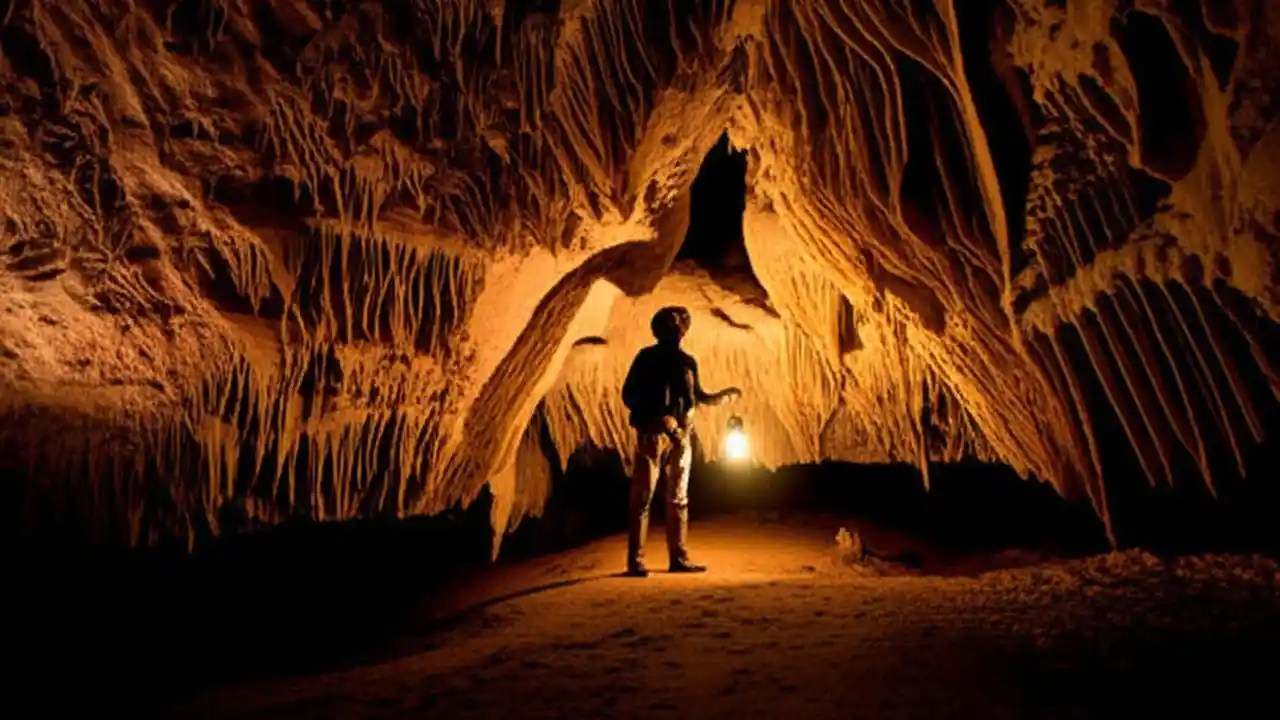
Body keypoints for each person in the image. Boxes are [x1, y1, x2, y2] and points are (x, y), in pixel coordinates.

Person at [620, 306, 741, 577]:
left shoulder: (687, 362)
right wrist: (660, 417)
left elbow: (696, 395)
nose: (676, 332)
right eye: (671, 327)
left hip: (682, 435)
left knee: (678, 497)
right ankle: (636, 561)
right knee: (643, 496)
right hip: (652, 434)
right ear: (659, 331)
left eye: (679, 328)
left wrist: (722, 397)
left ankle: (679, 557)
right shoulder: (646, 359)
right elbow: (628, 395)